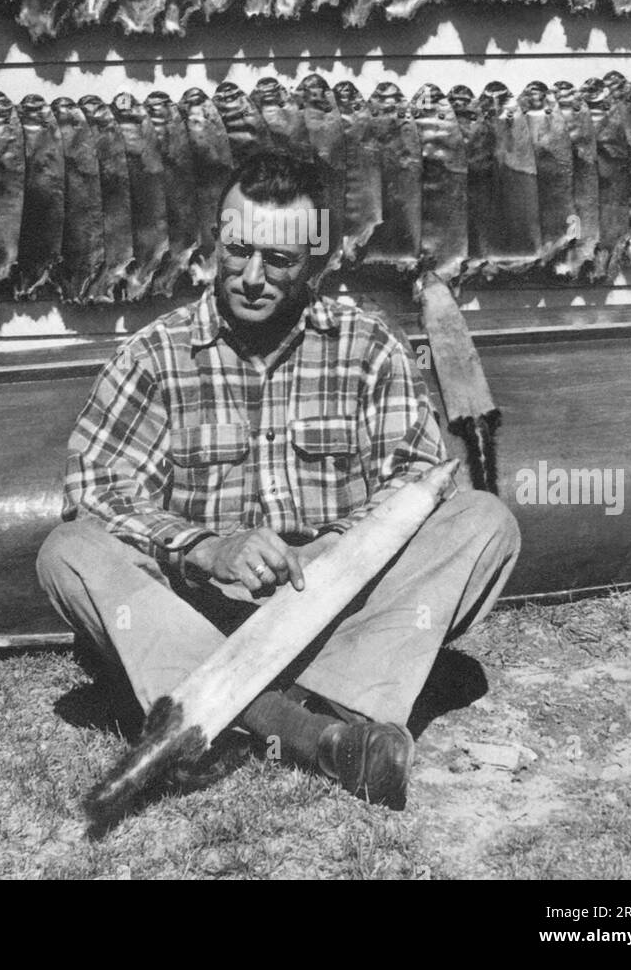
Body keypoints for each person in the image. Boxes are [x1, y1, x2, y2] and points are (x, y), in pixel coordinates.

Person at [37, 150, 520, 808]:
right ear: (215, 240)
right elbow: (94, 485)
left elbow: (416, 480)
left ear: (315, 263)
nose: (252, 277)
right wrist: (203, 546)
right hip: (201, 608)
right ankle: (312, 729)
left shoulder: (367, 346)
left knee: (482, 521)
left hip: (338, 607)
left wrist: (332, 552)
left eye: (279, 260)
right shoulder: (154, 353)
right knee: (69, 551)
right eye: (237, 250)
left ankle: (245, 703)